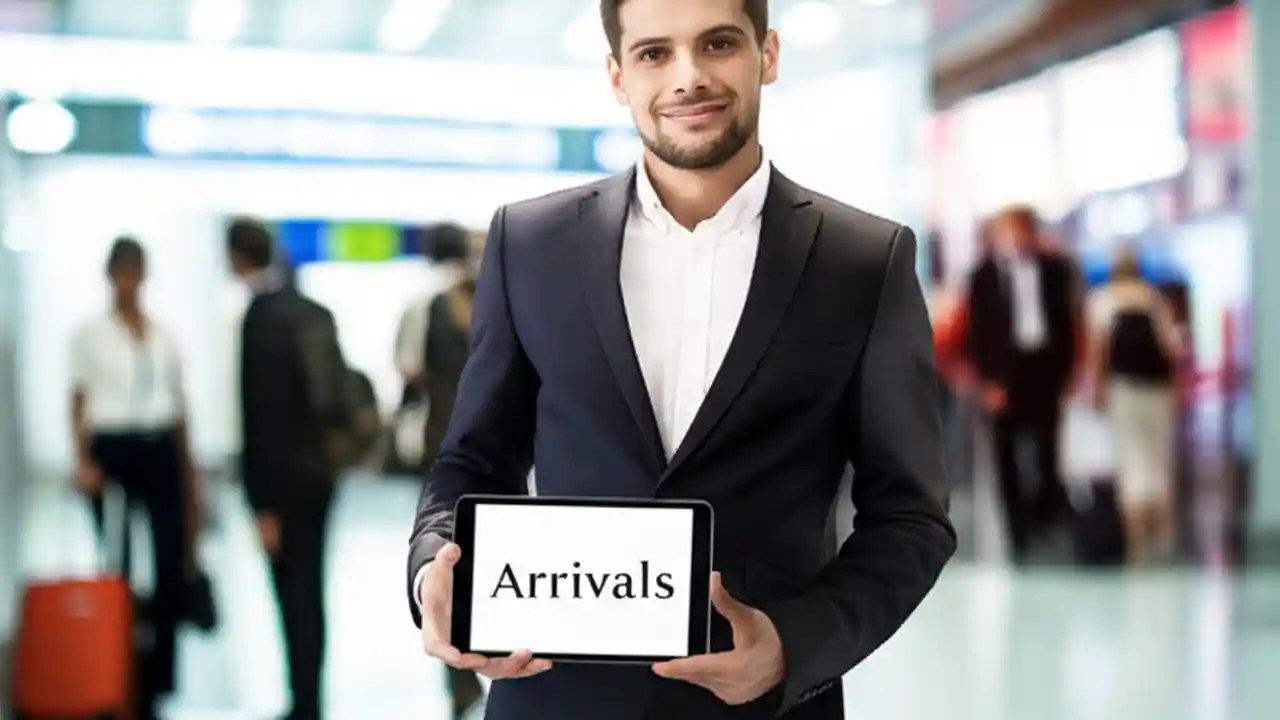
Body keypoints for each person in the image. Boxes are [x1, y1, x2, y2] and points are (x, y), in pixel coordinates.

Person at [406, 0, 956, 717]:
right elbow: (471, 464)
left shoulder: (863, 262)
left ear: (768, 53)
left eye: (718, 43)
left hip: (763, 706)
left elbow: (911, 517)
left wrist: (795, 644)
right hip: (553, 696)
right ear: (617, 75)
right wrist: (433, 572)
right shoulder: (530, 245)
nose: (688, 77)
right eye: (654, 53)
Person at [70, 237, 202, 720]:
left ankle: (159, 676)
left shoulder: (162, 334)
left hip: (158, 443)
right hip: (113, 446)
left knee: (168, 563)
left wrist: (190, 474)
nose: (129, 281)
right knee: (117, 563)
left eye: (136, 272)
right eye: (122, 272)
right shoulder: (91, 335)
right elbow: (79, 397)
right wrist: (81, 458)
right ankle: (115, 667)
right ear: (110, 276)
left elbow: (180, 403)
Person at [227, 218, 344, 720]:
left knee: (289, 591)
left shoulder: (260, 318)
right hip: (321, 474)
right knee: (312, 589)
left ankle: (301, 704)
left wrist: (261, 502)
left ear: (236, 257)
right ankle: (310, 699)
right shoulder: (314, 313)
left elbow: (260, 414)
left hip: (282, 480)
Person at [967, 205, 1080, 563]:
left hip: (1044, 373)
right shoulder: (982, 276)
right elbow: (978, 333)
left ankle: (1045, 522)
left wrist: (1068, 374)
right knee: (1005, 458)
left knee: (1047, 452)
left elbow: (1068, 324)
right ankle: (1017, 535)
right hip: (1003, 377)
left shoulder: (1055, 270)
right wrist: (987, 382)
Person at [1087, 248, 1181, 565]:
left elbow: (1098, 349)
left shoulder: (1104, 299)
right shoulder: (1154, 299)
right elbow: (1171, 349)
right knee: (1159, 458)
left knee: (1131, 459)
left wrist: (1096, 389)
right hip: (1158, 389)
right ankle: (1163, 536)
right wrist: (1177, 389)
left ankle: (1136, 540)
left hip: (1123, 387)